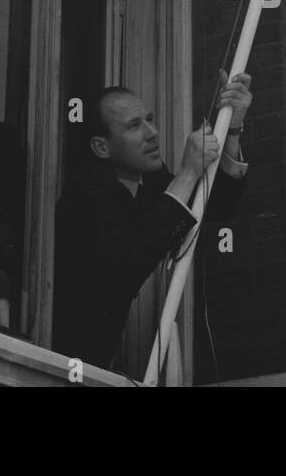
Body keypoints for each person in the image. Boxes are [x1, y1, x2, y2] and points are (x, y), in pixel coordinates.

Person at [53, 71, 253, 369]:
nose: (152, 132)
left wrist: (233, 126)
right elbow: (128, 262)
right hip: (59, 367)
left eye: (149, 119)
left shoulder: (149, 183)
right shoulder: (84, 195)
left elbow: (215, 209)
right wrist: (187, 174)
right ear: (101, 147)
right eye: (134, 125)